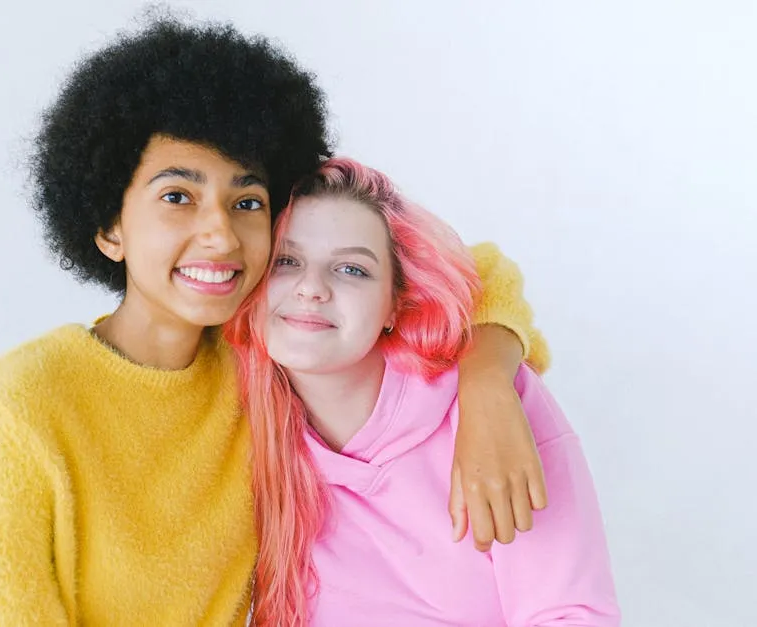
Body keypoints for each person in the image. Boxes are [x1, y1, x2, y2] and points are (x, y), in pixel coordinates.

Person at [0, 16, 551, 627]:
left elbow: (477, 277)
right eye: (178, 196)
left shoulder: (266, 360)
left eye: (247, 203)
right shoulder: (20, 404)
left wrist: (489, 388)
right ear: (109, 227)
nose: (220, 233)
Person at [227, 157, 619, 626]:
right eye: (286, 262)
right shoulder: (235, 410)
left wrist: (489, 381)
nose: (311, 288)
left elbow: (568, 614)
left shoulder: (487, 404)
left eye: (351, 269)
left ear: (397, 301)